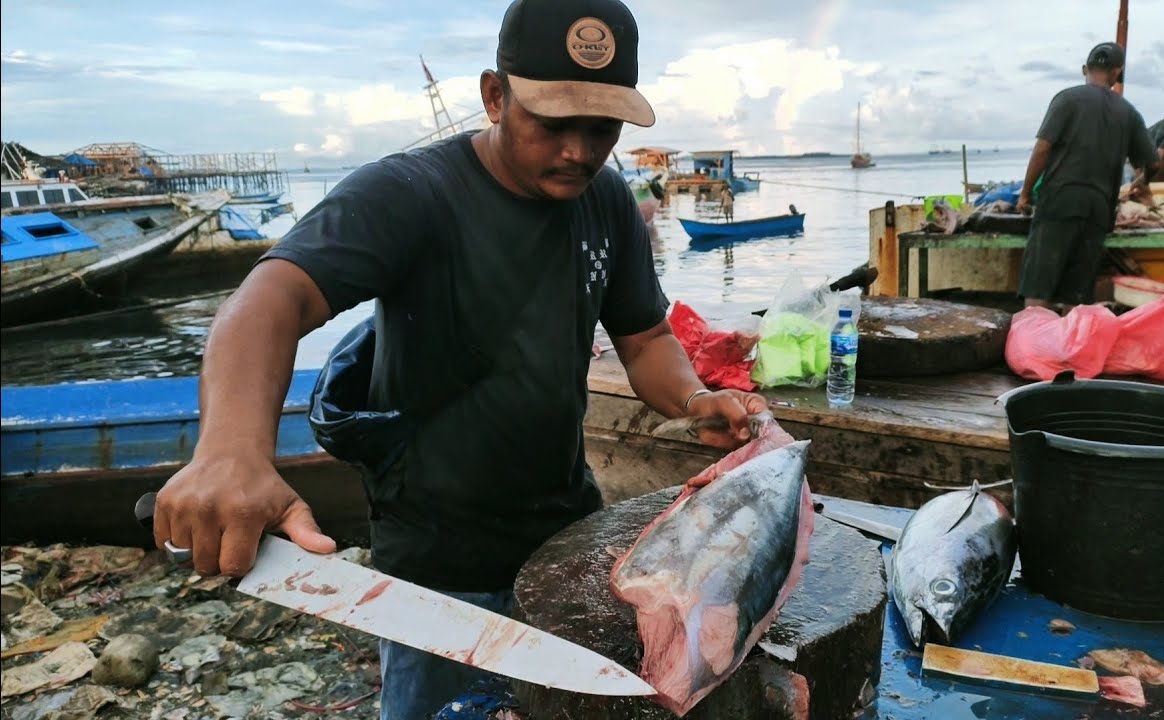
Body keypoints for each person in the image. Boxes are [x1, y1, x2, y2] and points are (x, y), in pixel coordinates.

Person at [147, 0, 766, 717]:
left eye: (601, 128)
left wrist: (693, 400)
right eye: (554, 123)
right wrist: (230, 450)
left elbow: (645, 339)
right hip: (435, 563)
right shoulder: (411, 194)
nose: (578, 150)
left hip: (566, 539)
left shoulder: (605, 202)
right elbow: (269, 299)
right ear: (495, 95)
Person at [1016, 42, 1159, 311]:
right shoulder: (1128, 112)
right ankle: (1071, 350)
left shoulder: (1066, 99)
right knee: (1076, 294)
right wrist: (1143, 182)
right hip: (1098, 210)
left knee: (1039, 285)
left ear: (1085, 69)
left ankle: (1035, 349)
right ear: (1117, 72)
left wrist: (1025, 194)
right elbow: (1153, 161)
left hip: (1059, 202)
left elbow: (1042, 149)